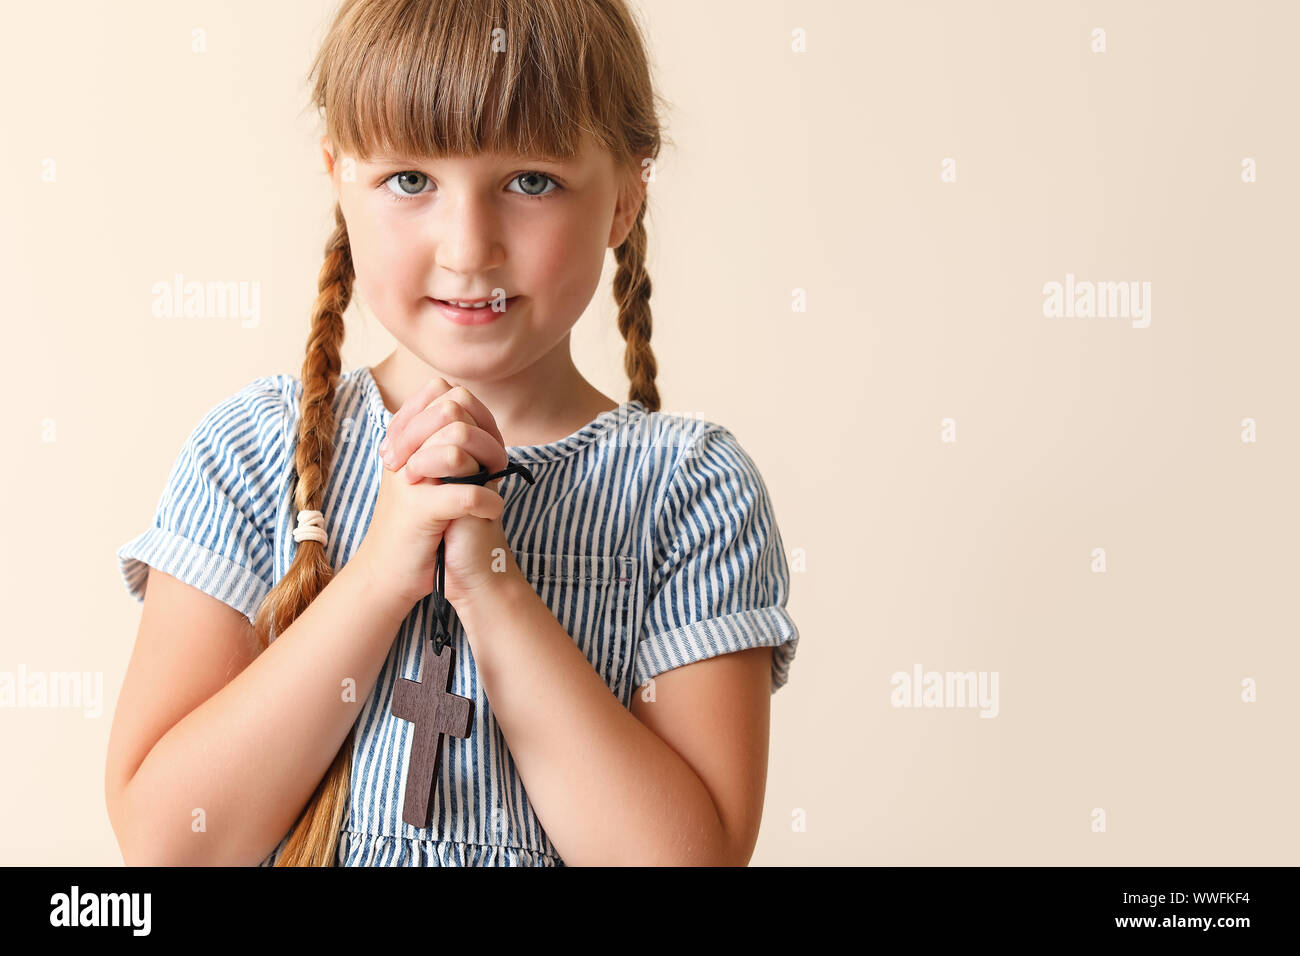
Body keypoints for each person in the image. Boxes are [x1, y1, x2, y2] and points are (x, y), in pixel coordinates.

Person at [107, 0, 798, 867]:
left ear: (626, 195)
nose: (469, 248)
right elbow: (170, 846)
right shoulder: (252, 455)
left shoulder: (691, 491)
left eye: (531, 182)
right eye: (410, 181)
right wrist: (382, 576)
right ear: (338, 177)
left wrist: (496, 589)